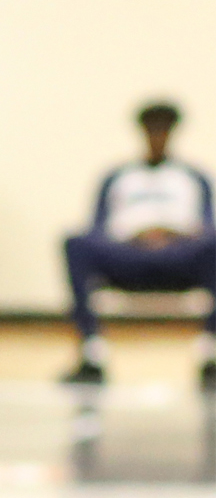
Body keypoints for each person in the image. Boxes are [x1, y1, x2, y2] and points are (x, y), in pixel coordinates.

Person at [63, 100, 216, 387]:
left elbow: (207, 226)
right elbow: (97, 227)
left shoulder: (193, 178)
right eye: (151, 130)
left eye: (163, 130)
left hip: (179, 255)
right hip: (127, 255)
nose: (157, 136)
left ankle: (211, 354)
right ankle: (92, 353)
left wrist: (171, 234)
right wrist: (137, 236)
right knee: (76, 243)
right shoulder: (117, 177)